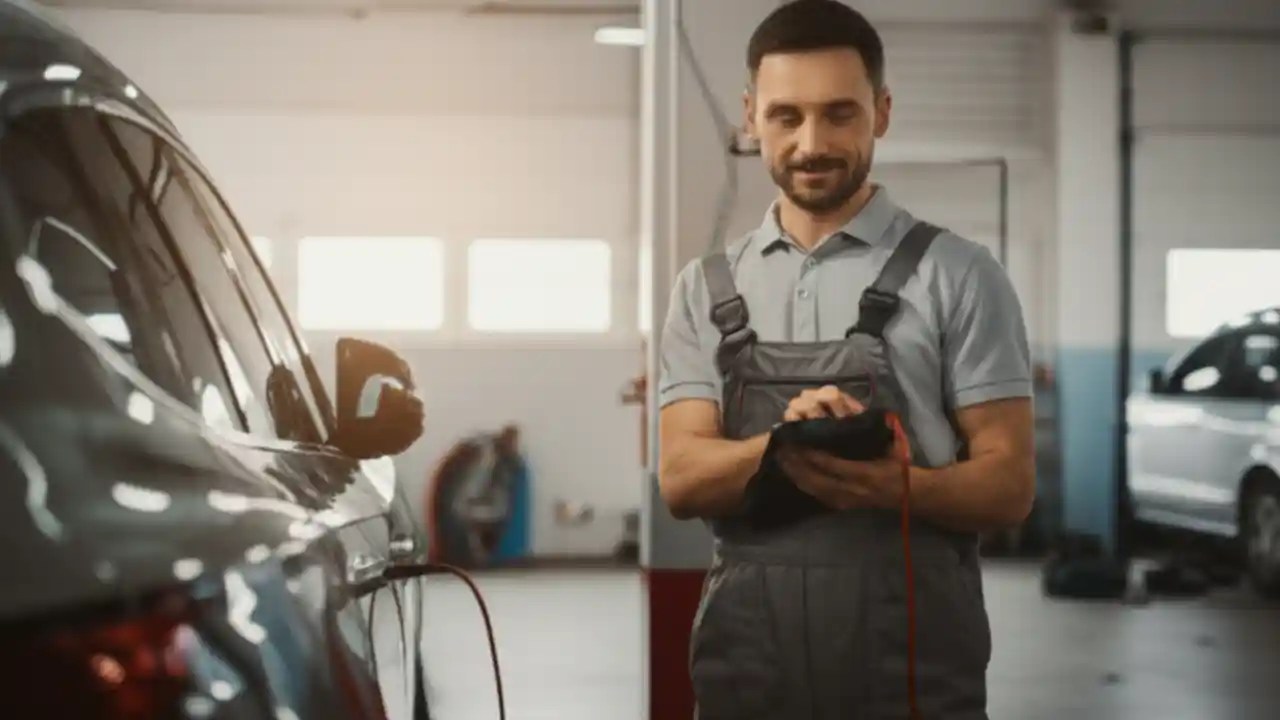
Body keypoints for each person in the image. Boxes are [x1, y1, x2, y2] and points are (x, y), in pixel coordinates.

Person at [655, 1, 1036, 718]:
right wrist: (787, 443)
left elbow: (1009, 484)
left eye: (839, 114)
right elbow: (681, 479)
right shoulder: (707, 288)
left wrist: (887, 488)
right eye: (786, 116)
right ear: (749, 116)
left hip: (911, 654)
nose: (811, 143)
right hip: (748, 658)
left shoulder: (958, 274)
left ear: (881, 112)